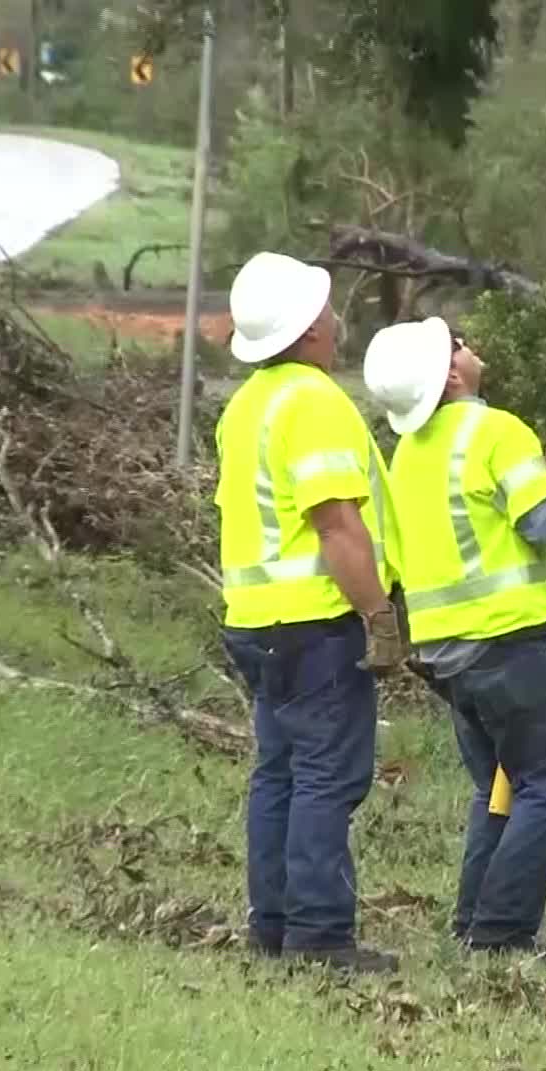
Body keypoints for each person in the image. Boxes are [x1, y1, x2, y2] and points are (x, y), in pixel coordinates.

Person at [362, 316, 546, 954]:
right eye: (460, 342)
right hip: (509, 641)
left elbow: (485, 510)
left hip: (447, 656)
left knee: (498, 785)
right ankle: (501, 933)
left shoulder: (409, 452)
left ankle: (472, 921)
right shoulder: (495, 430)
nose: (469, 345)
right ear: (452, 372)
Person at [213, 251, 407, 974]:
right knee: (327, 776)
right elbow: (335, 525)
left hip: (254, 618)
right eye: (324, 310)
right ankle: (321, 936)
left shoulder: (246, 406)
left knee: (280, 773)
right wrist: (378, 613)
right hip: (314, 620)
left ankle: (272, 925)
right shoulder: (316, 403)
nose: (335, 317)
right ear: (306, 332)